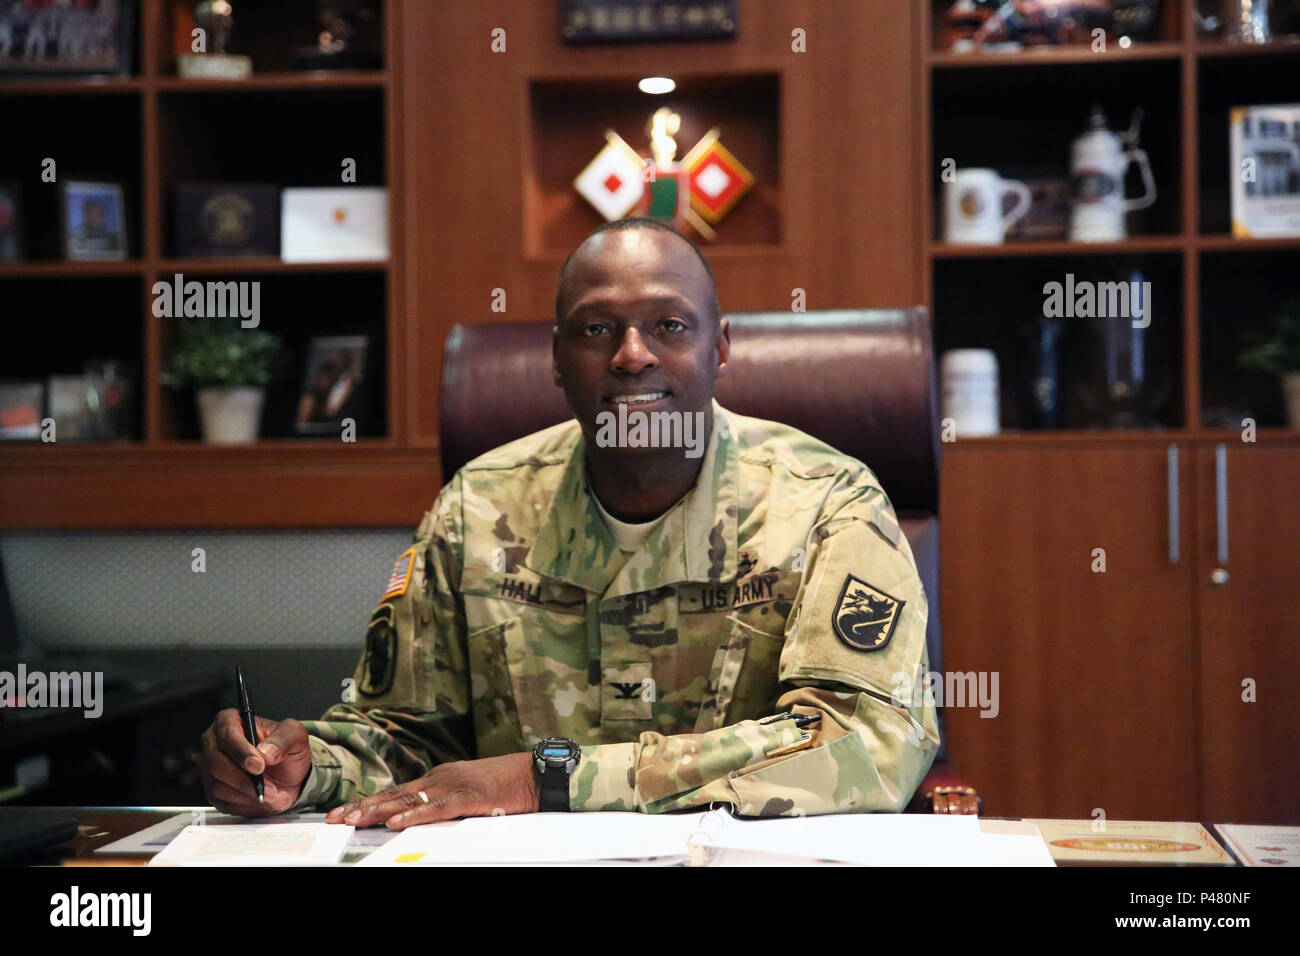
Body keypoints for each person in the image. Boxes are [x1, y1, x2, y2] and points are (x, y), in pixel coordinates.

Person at [199, 218, 940, 828]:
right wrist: (303, 766)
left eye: (670, 325)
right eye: (595, 330)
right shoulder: (478, 507)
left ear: (719, 350)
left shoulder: (828, 502)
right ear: (556, 359)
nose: (632, 356)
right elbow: (404, 735)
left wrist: (540, 779)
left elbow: (864, 741)